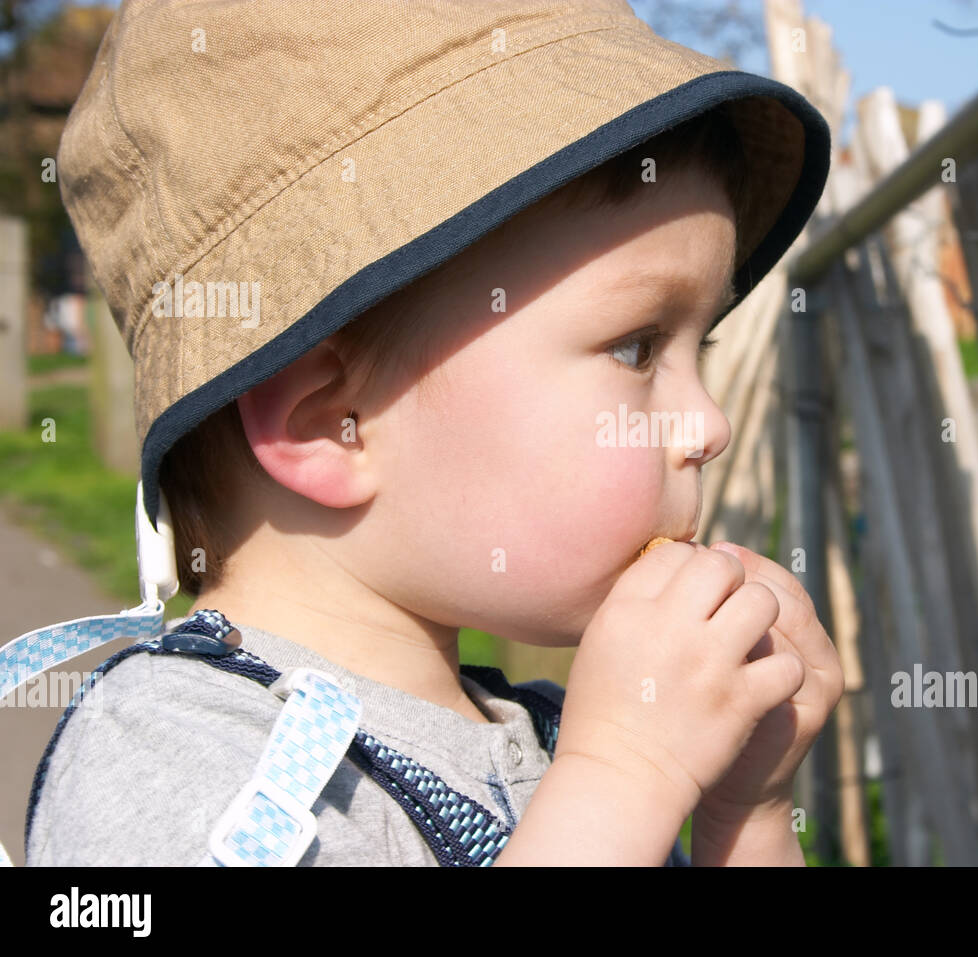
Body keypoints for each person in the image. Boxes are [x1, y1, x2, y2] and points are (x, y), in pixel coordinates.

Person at [24, 0, 842, 866]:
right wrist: (626, 775)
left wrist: (744, 816)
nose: (708, 426)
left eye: (700, 345)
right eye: (638, 346)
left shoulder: (551, 740)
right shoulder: (181, 764)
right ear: (330, 423)